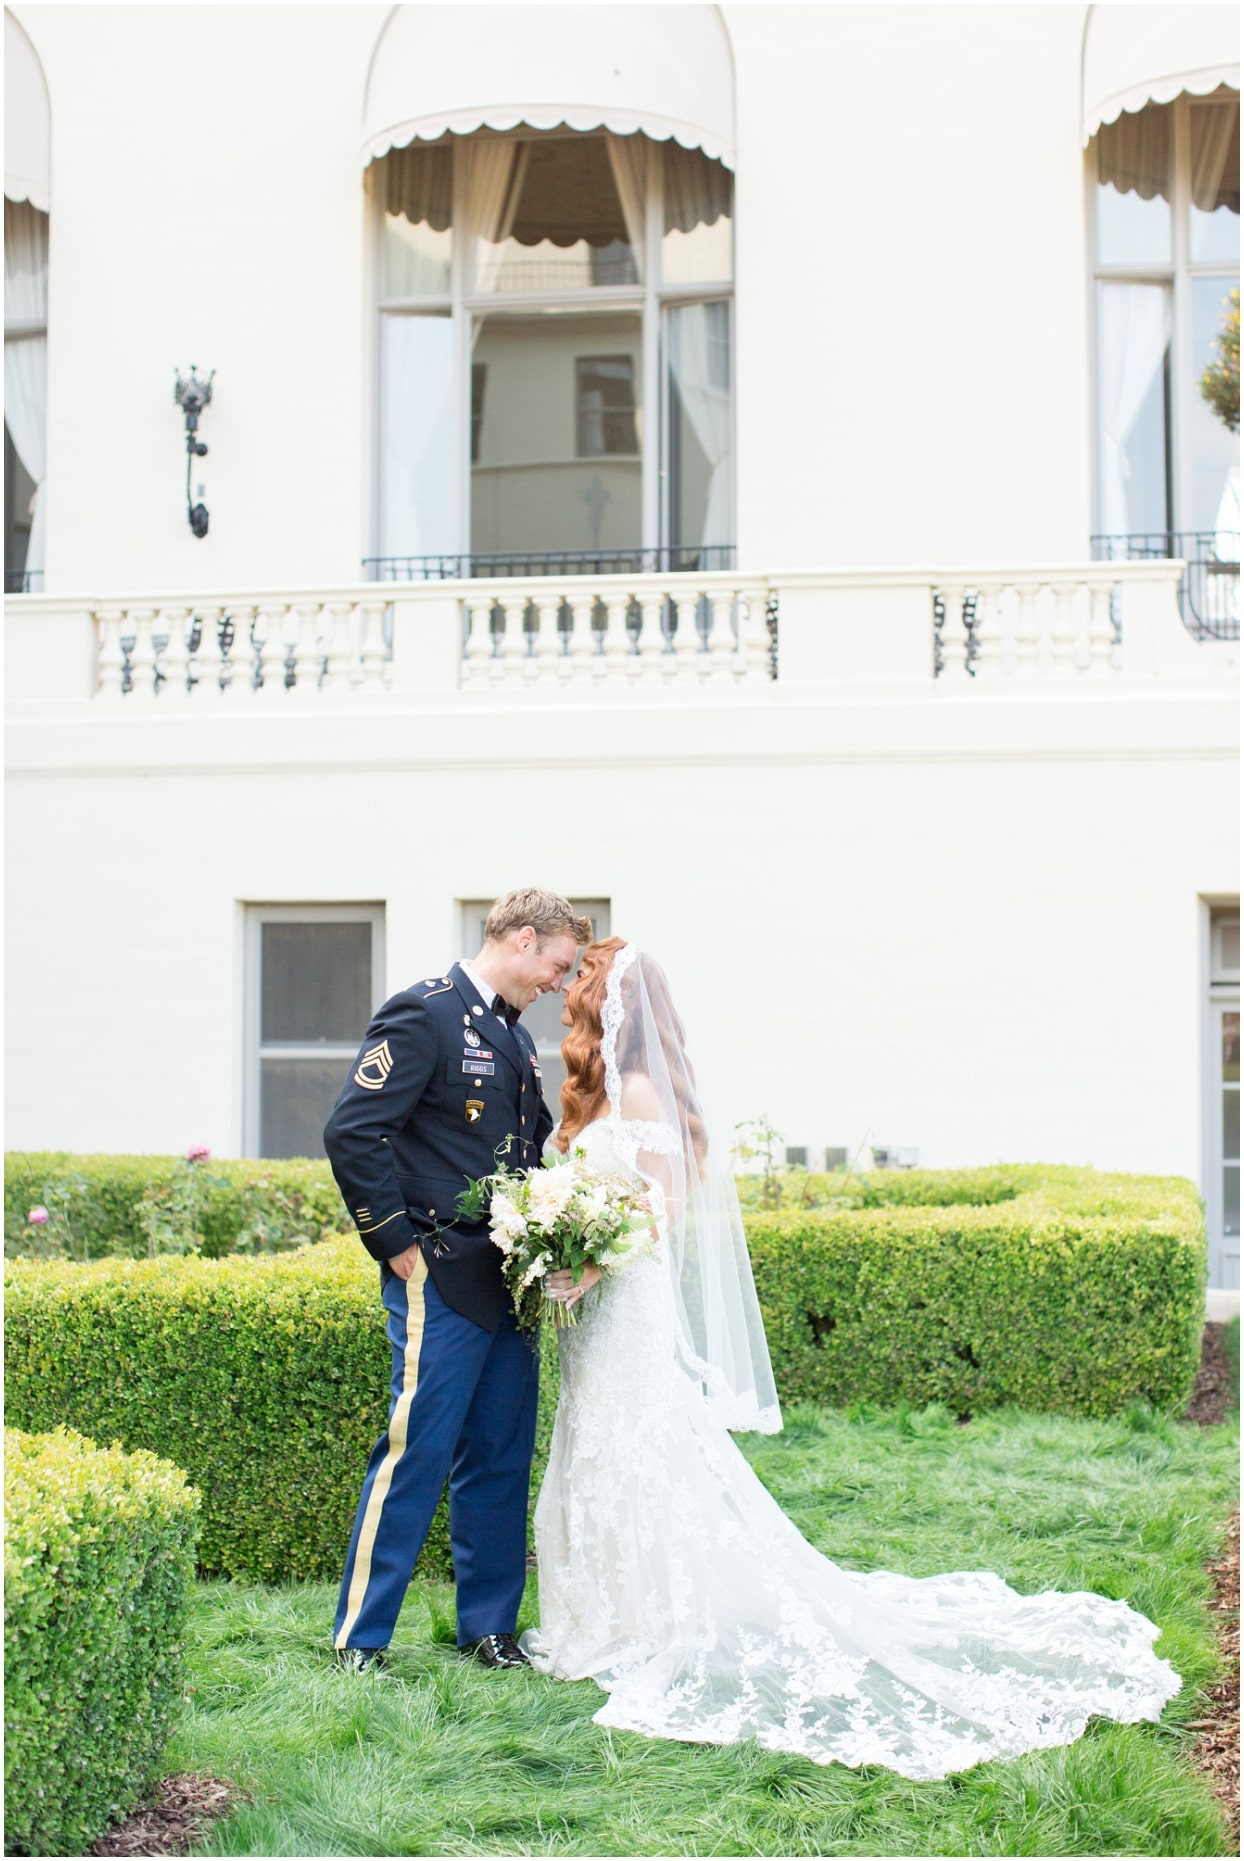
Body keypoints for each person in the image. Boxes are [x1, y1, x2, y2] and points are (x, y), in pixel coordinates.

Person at [522, 937, 1182, 1779]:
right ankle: (605, 1609)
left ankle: (649, 1615)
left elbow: (666, 1206)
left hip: (627, 1300)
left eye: (585, 977)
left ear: (617, 998)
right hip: (600, 1304)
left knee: (639, 1442)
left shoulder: (642, 1088)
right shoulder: (602, 1091)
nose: (573, 988)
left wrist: (589, 1256)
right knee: (597, 1441)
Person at [323, 887, 592, 1671]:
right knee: (414, 1453)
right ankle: (360, 1637)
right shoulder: (425, 1013)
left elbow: (530, 1148)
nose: (558, 982)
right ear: (520, 939)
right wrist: (391, 1240)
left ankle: (489, 1627)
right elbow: (354, 1128)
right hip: (437, 1272)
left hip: (509, 1279)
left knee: (501, 1455)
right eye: (556, 964)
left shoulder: (511, 1036)